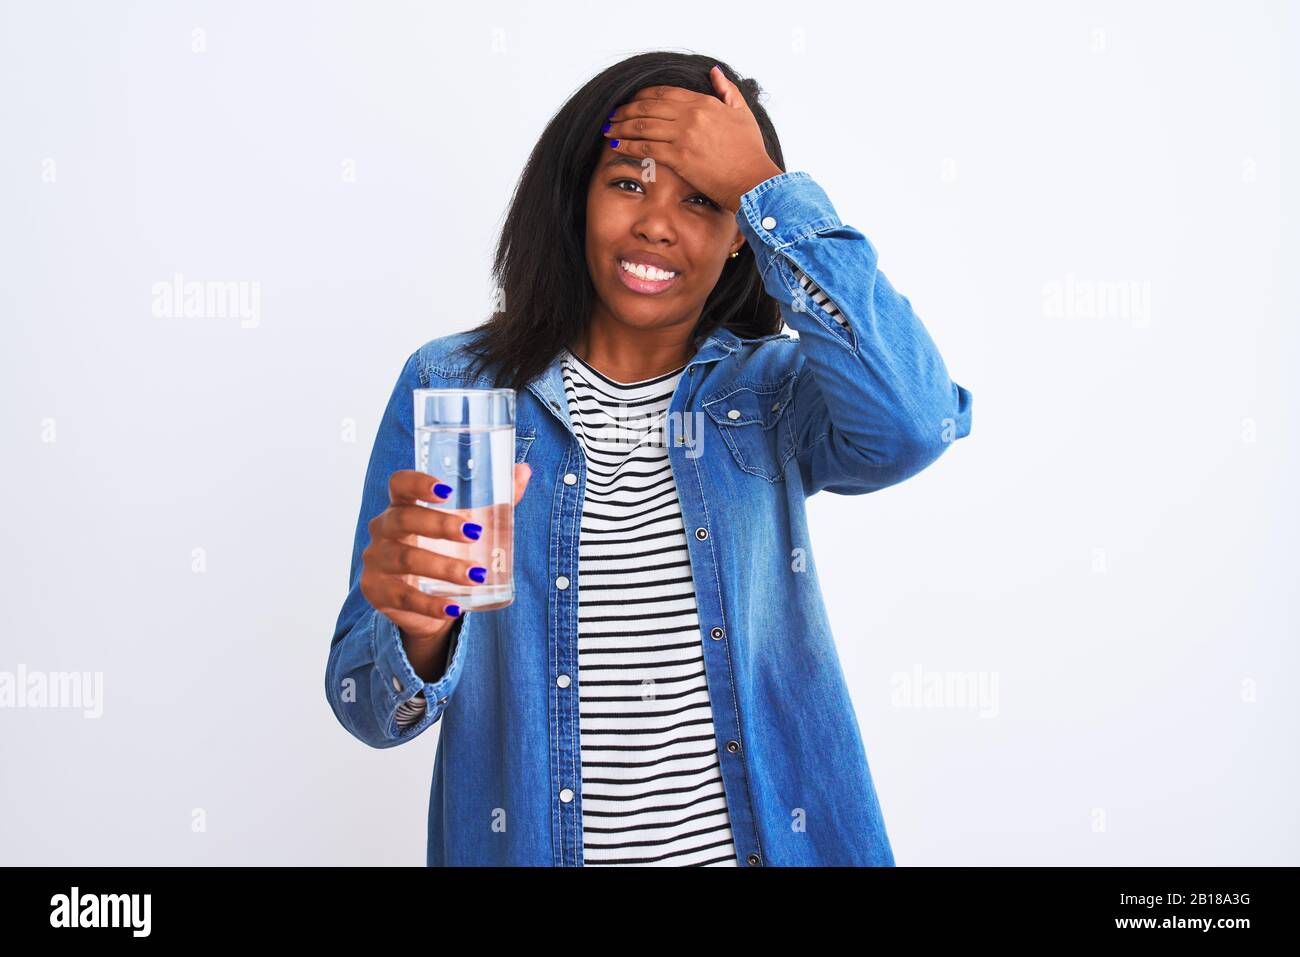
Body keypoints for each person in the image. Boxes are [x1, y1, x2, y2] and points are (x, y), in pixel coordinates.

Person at [326, 52, 973, 866]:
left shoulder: (770, 394)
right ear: (577, 196)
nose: (657, 224)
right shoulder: (461, 392)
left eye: (704, 199)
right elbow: (366, 706)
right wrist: (419, 630)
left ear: (742, 238)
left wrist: (768, 187)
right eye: (629, 182)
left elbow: (915, 423)